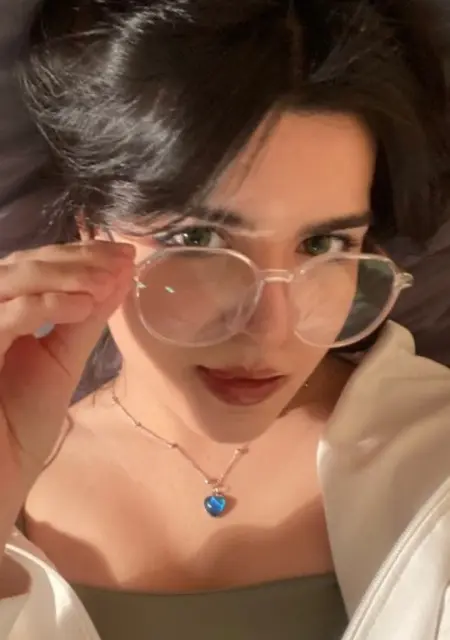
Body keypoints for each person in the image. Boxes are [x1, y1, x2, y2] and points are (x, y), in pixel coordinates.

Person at [1, 0, 450, 638]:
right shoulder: (13, 479)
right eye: (198, 241)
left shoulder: (436, 454)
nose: (271, 330)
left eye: (323, 244)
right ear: (90, 230)